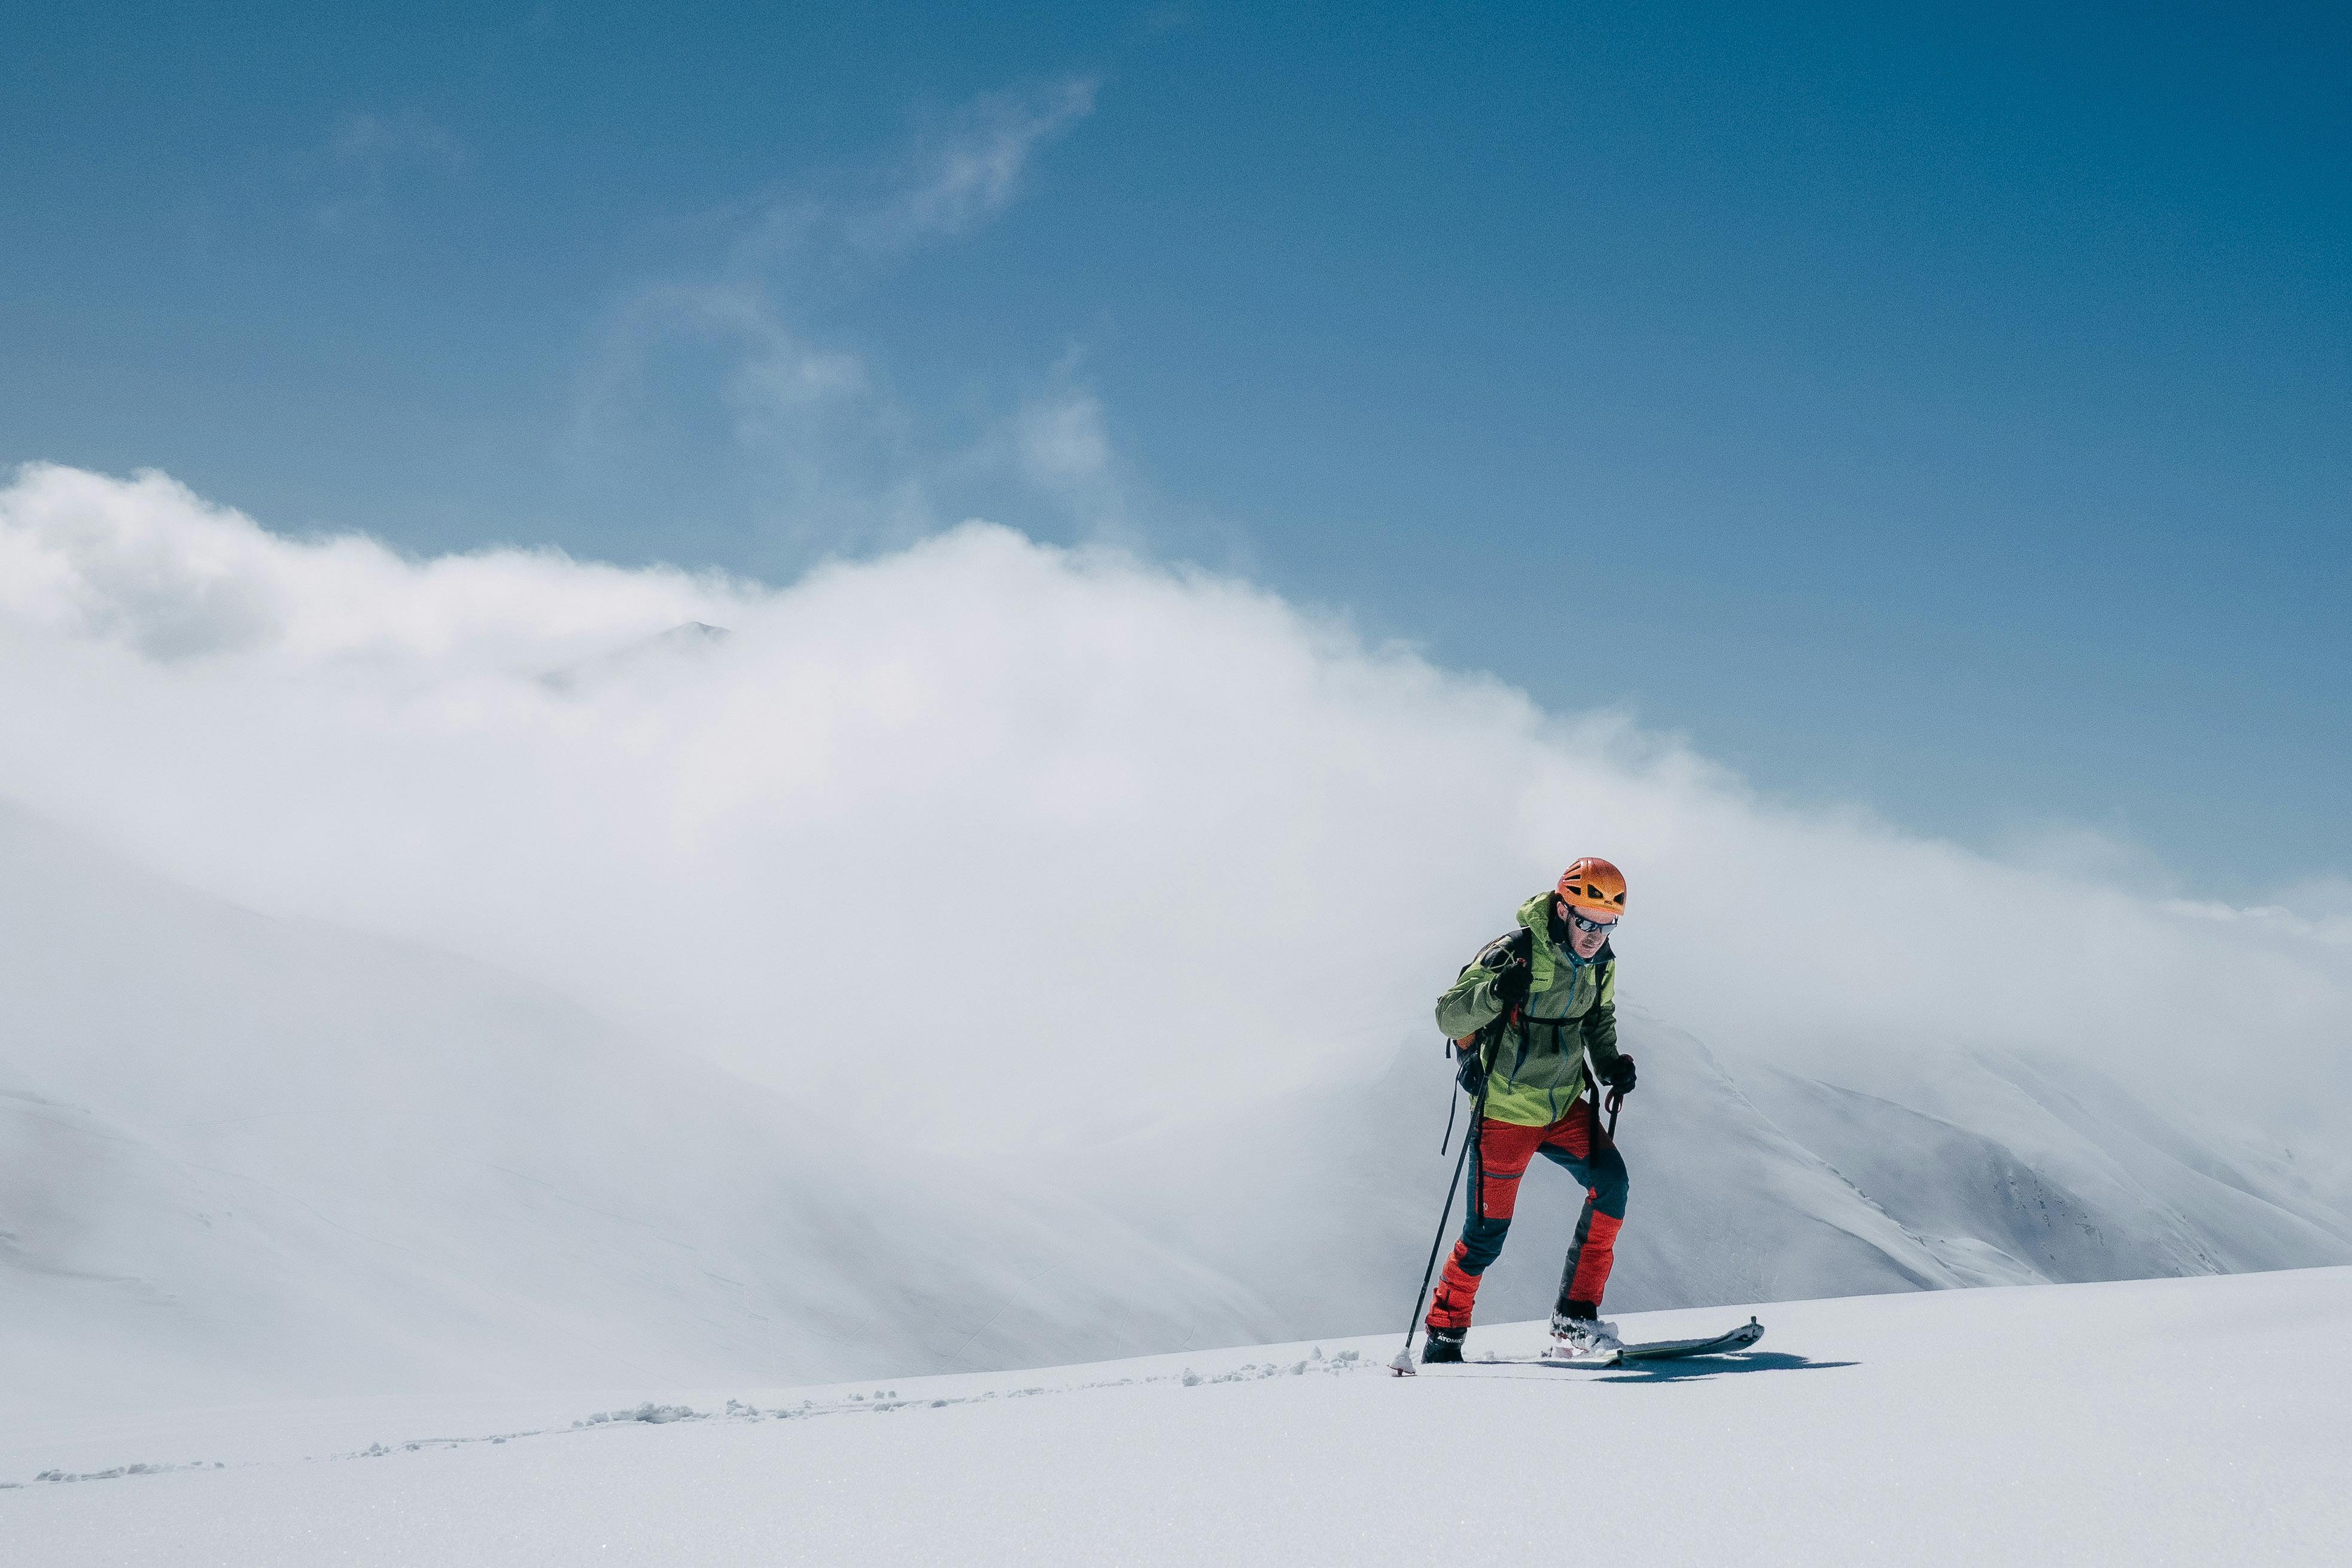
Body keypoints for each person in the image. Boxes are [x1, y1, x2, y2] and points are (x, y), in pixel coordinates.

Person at [1421, 857, 1636, 1363]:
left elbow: (1597, 1019)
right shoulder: (1515, 953)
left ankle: (1576, 1314)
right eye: (1586, 920)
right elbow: (1447, 1016)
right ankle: (1445, 1333)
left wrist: (1609, 1065)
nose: (1595, 935)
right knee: (1486, 1234)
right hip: (1505, 1112)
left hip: (1562, 1104)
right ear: (1563, 910)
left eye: (1606, 925)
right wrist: (1494, 991)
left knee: (1612, 1183)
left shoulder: (1601, 961)